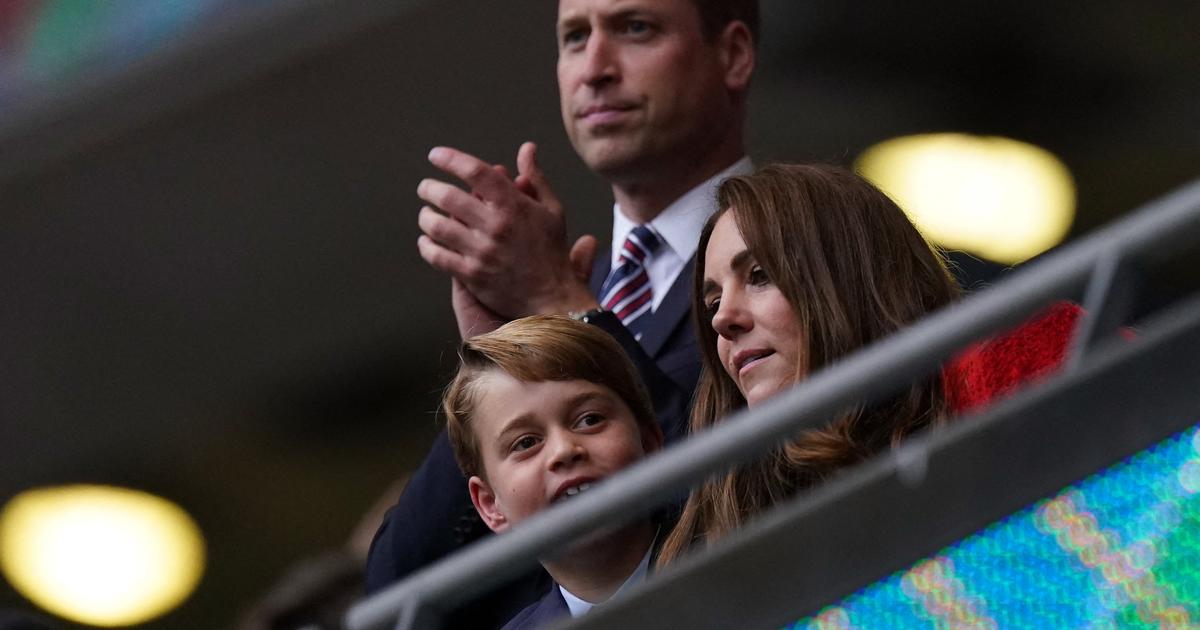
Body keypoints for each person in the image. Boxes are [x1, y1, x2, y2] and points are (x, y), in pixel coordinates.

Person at [366, 0, 759, 622]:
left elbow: (772, 485)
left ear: (733, 54)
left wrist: (561, 303)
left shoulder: (801, 245)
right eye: (575, 37)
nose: (595, 67)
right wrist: (491, 375)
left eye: (636, 28)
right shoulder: (559, 297)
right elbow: (397, 596)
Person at [657, 164, 1081, 564]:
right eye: (713, 301)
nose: (721, 319)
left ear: (848, 281)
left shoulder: (1013, 357)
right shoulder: (733, 516)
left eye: (760, 275)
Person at [443, 316, 664, 629]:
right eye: (526, 442)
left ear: (649, 443)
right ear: (491, 506)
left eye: (589, 420)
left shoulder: (739, 553)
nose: (563, 450)